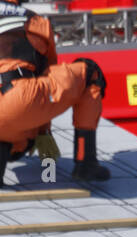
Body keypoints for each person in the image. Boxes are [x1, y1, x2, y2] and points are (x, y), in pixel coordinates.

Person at [0, 0, 110, 183]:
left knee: (9, 129)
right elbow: (47, 74)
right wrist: (45, 138)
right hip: (17, 99)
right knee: (90, 72)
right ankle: (86, 163)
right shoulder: (34, 21)